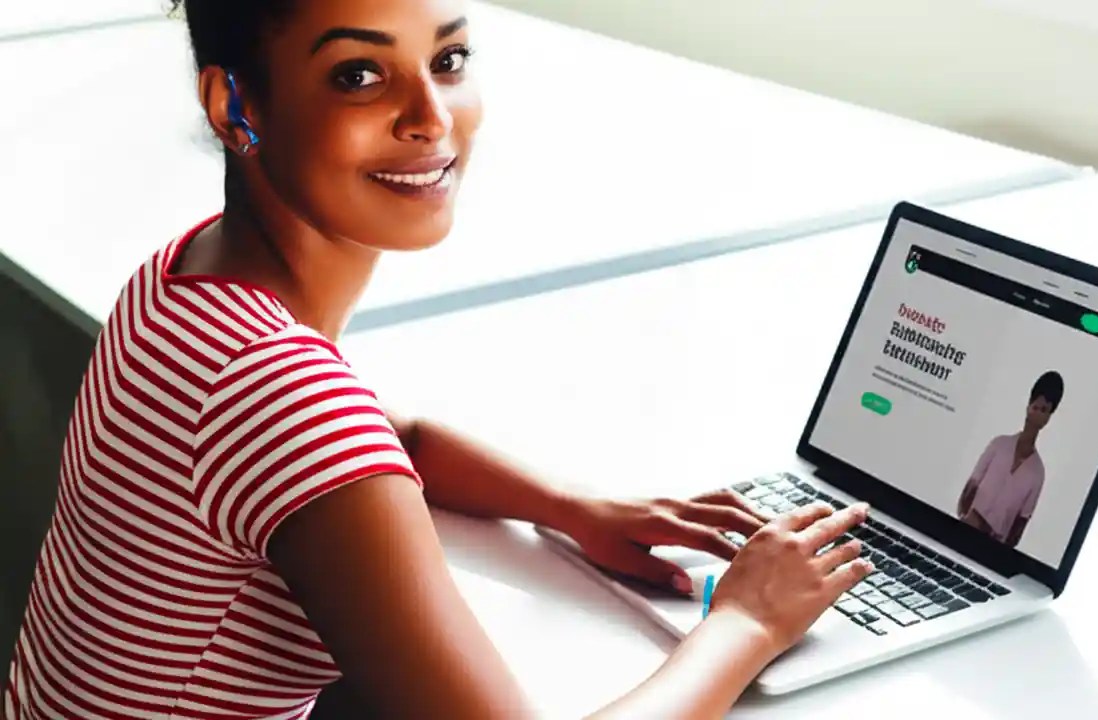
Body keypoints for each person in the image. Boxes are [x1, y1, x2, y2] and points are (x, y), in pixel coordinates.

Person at [0, 1, 876, 718]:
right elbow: (324, 443)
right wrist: (746, 625)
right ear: (236, 106)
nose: (429, 117)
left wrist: (574, 510)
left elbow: (388, 445)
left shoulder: (183, 274)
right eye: (359, 74)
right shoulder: (277, 393)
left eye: (449, 60)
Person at [956, 371, 1064, 548]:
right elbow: (971, 486)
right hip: (968, 527)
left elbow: (1021, 522)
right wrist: (965, 520)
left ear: (1048, 417)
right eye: (1035, 407)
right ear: (1028, 406)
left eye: (1044, 410)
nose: (1037, 413)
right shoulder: (998, 445)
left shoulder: (1037, 473)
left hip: (993, 545)